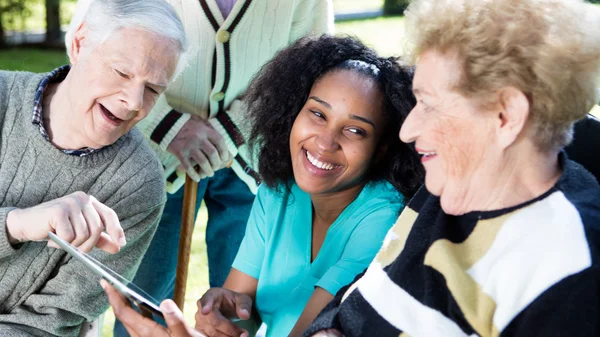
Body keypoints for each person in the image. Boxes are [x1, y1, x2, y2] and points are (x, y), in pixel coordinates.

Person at [302, 0, 600, 336]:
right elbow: (371, 288)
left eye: (429, 104)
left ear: (506, 116)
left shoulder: (568, 273)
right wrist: (326, 329)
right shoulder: (447, 183)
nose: (408, 130)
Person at [103, 35, 425, 337]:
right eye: (317, 114)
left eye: (355, 131)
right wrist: (225, 314)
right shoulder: (279, 192)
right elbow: (243, 306)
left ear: (383, 147)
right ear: (293, 112)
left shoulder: (385, 220)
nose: (326, 142)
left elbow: (312, 330)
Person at [112, 1, 334, 333]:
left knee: (239, 312)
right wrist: (166, 126)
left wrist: (234, 129)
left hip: (256, 163)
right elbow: (92, 43)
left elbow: (313, 63)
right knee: (142, 310)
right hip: (153, 160)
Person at [0, 0, 186, 335]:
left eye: (153, 89)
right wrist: (17, 224)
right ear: (79, 42)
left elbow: (48, 322)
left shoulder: (138, 183)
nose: (133, 102)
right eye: (122, 72)